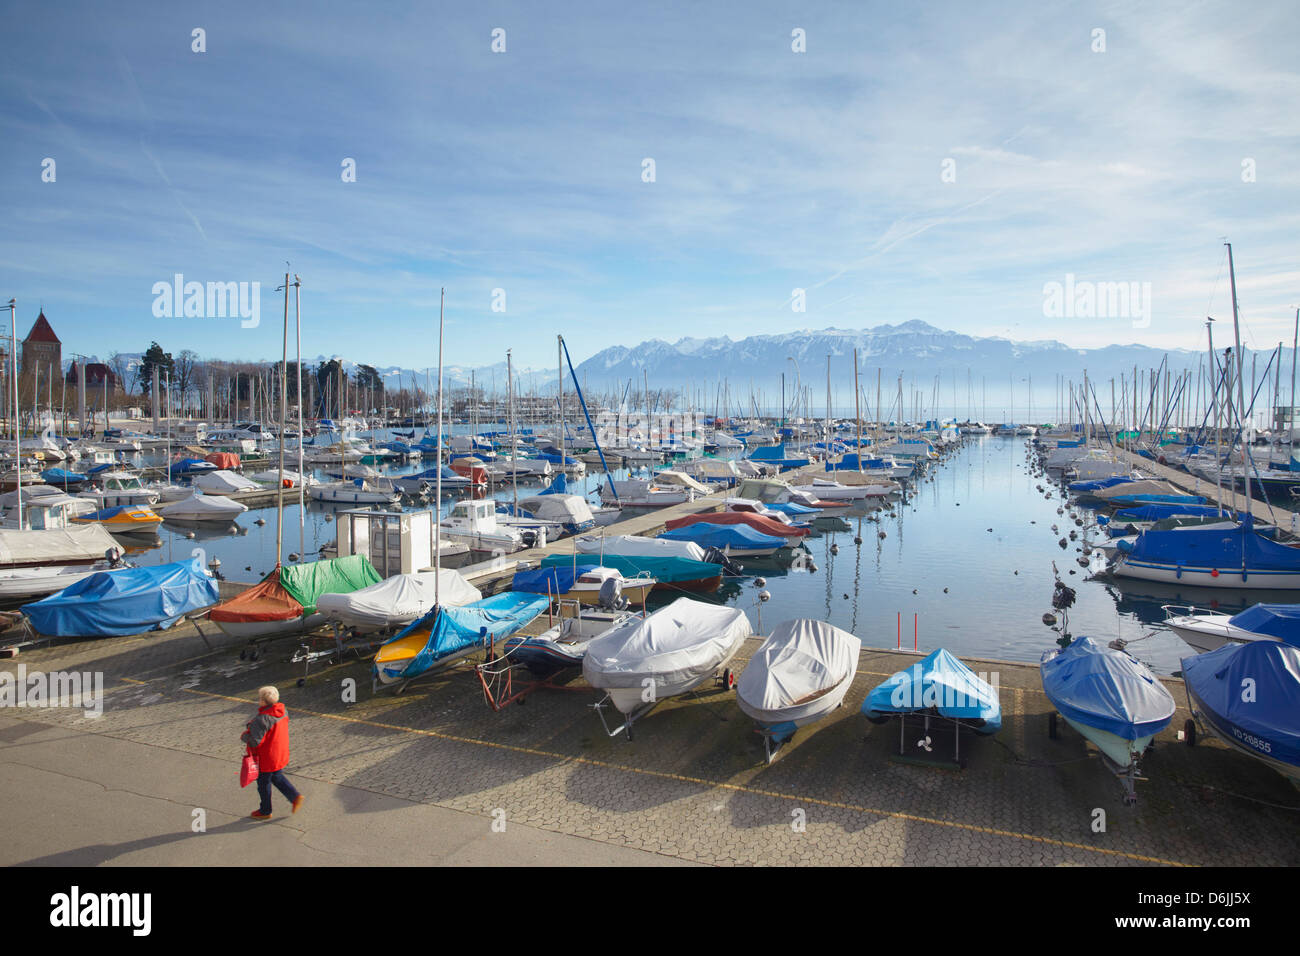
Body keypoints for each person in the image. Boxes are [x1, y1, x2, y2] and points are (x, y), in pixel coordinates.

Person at [241, 685, 303, 819]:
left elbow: (254, 741)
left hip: (266, 757)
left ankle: (265, 810)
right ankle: (295, 797)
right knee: (277, 777)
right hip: (279, 753)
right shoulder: (283, 711)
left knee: (263, 784)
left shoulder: (261, 720)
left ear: (263, 701)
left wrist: (245, 736)